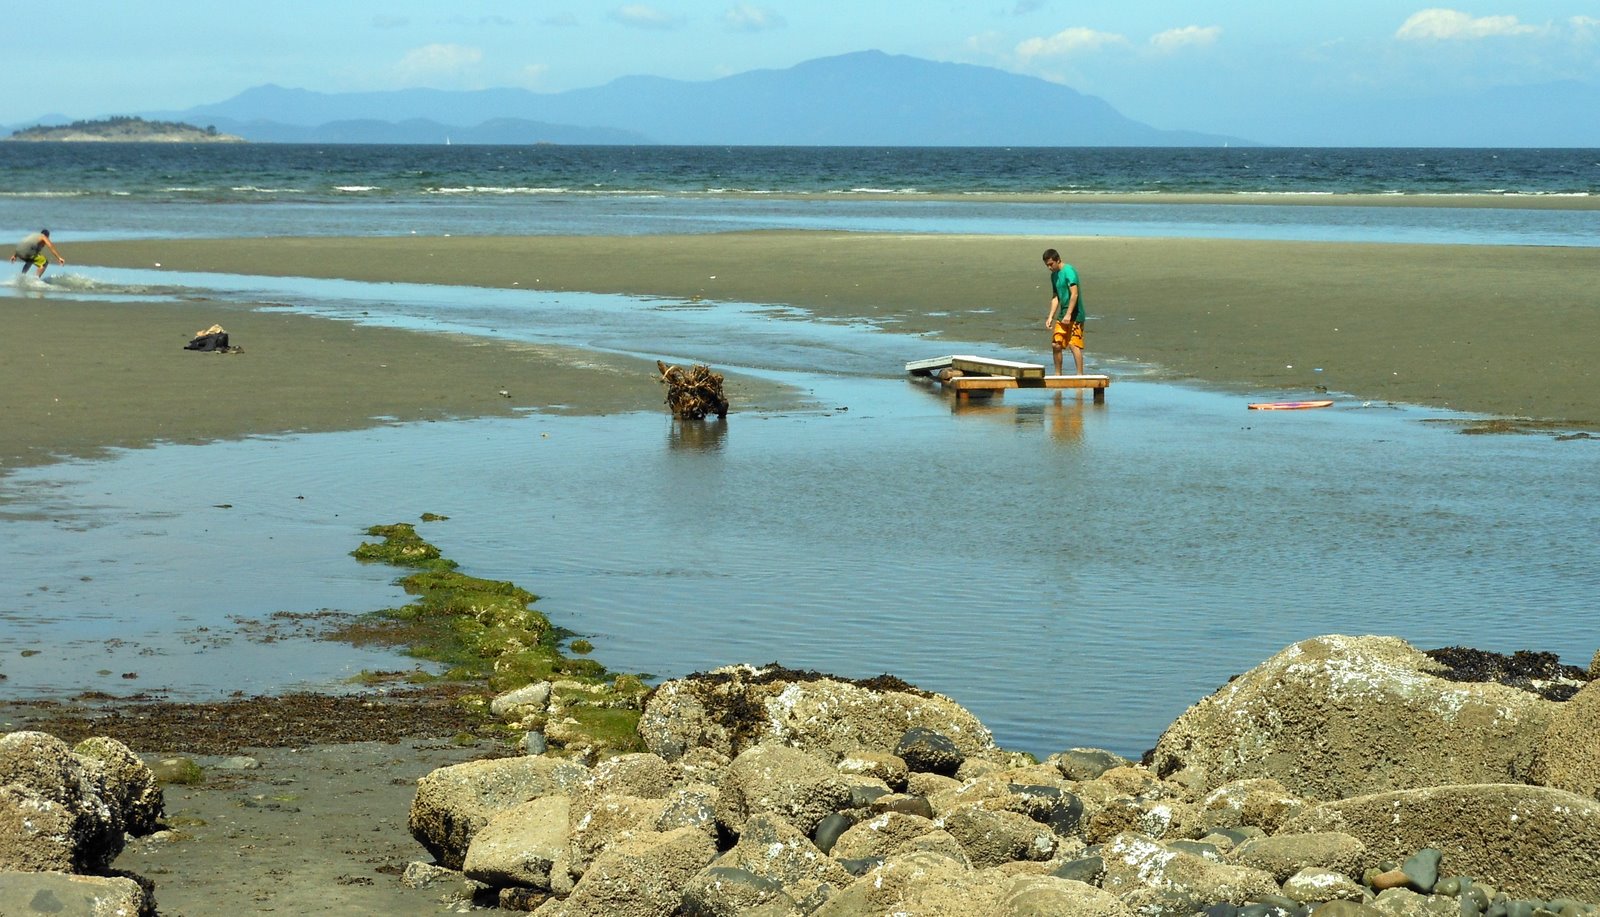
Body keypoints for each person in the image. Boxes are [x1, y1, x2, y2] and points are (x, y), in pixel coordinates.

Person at [1041, 248, 1084, 375]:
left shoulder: (1069, 271)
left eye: (1051, 264)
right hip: (1062, 314)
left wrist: (1069, 314)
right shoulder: (1053, 275)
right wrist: (1050, 317)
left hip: (1076, 314)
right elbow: (1055, 297)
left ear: (1058, 260)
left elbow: (1074, 294)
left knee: (1073, 345)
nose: (1049, 267)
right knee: (1056, 344)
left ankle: (1080, 375)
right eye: (1047, 265)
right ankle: (1058, 374)